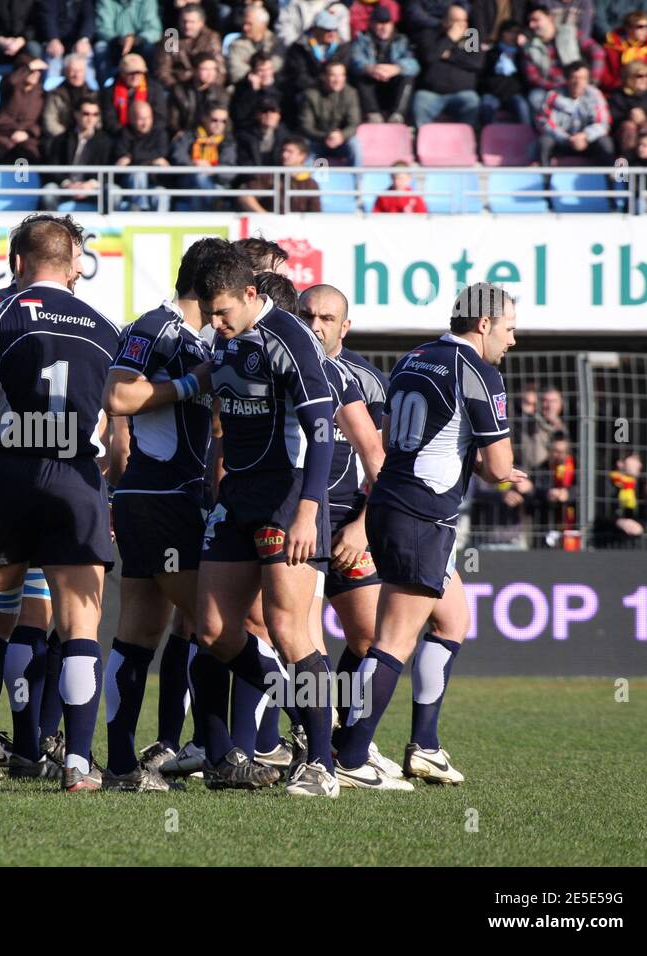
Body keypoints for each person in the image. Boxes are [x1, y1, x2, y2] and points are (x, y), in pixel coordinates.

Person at [0, 216, 121, 792]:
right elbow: (119, 429)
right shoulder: (106, 325)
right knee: (80, 625)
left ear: (17, 262)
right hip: (76, 478)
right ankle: (79, 766)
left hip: (5, 472)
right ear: (76, 266)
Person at [335, 283, 524, 786]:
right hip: (422, 513)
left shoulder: (414, 357)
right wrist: (506, 472)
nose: (513, 340)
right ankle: (349, 758)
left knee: (453, 619)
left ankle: (425, 746)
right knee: (392, 640)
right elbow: (498, 465)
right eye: (509, 328)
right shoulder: (480, 372)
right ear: (484, 324)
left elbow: (400, 433)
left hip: (392, 502)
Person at [190, 243, 341, 797]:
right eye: (209, 316)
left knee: (287, 629)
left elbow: (322, 430)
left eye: (224, 313)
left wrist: (308, 509)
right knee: (212, 630)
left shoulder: (290, 338)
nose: (217, 324)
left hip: (286, 495)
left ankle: (321, 764)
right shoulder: (226, 340)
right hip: (238, 497)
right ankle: (307, 712)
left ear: (251, 295)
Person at [98, 238, 218, 790]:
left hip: (169, 498)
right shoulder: (155, 327)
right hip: (163, 500)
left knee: (140, 633)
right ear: (210, 281)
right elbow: (118, 397)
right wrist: (194, 383)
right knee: (221, 628)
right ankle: (223, 751)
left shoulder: (203, 337)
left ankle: (124, 764)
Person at [296, 284, 420, 788]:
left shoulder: (368, 381)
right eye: (306, 314)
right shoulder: (283, 364)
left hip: (348, 521)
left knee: (369, 637)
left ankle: (351, 743)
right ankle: (293, 742)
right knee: (295, 637)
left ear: (345, 326)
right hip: (295, 520)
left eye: (327, 317)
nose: (315, 325)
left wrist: (364, 526)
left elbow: (385, 461)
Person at [522, 4, 607, 114]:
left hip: (576, 82)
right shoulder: (529, 47)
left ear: (550, 18)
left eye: (536, 20)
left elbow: (597, 52)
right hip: (550, 88)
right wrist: (555, 86)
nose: (532, 25)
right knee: (535, 97)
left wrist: (592, 80)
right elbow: (533, 77)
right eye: (529, 22)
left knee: (594, 98)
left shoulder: (571, 33)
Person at [412, 4, 484, 126]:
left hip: (462, 93)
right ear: (445, 21)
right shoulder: (430, 34)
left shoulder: (471, 37)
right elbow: (429, 57)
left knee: (472, 101)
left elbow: (476, 63)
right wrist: (450, 38)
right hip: (432, 94)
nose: (462, 25)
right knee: (420, 101)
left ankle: (468, 140)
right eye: (456, 21)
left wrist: (449, 55)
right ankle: (421, 141)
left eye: (464, 20)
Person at [350, 5, 419, 123]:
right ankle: (373, 115)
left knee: (408, 78)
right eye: (380, 23)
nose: (384, 27)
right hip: (373, 85)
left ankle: (398, 115)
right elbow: (355, 61)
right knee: (361, 77)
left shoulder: (402, 40)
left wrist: (397, 68)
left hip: (392, 85)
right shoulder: (361, 40)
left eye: (387, 23)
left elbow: (414, 65)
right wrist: (370, 69)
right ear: (371, 24)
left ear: (392, 25)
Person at [537, 60, 615, 165]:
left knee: (605, 142)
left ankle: (610, 179)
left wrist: (585, 136)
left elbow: (603, 124)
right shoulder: (553, 96)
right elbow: (544, 122)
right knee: (544, 142)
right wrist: (567, 138)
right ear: (567, 79)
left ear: (588, 80)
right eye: (574, 77)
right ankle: (544, 179)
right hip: (562, 142)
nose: (578, 82)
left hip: (587, 141)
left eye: (582, 78)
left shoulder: (595, 95)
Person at [42, 94, 113, 208]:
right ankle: (52, 225)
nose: (90, 118)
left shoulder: (106, 141)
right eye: (86, 114)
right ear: (76, 114)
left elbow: (108, 169)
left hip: (93, 189)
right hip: (66, 188)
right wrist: (68, 184)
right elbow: (52, 166)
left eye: (95, 114)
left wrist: (90, 184)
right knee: (48, 191)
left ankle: (108, 225)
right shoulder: (62, 139)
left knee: (113, 191)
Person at [0, 59, 47, 165]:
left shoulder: (42, 95)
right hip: (2, 133)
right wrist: (29, 67)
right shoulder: (9, 88)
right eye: (32, 71)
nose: (35, 74)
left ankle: (20, 181)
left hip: (26, 137)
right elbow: (11, 81)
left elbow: (41, 122)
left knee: (26, 154)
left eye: (38, 71)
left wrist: (27, 133)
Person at [170, 106, 239, 210]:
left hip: (217, 182)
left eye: (223, 121)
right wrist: (194, 164)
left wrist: (212, 170)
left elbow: (229, 171)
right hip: (189, 181)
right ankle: (215, 207)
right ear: (205, 118)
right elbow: (178, 156)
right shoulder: (189, 136)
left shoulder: (228, 141)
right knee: (199, 178)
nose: (219, 125)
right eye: (214, 120)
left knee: (200, 187)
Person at [300, 61, 365, 165]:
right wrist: (326, 136)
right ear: (323, 77)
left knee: (354, 144)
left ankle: (358, 180)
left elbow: (354, 123)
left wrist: (341, 135)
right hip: (318, 140)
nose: (337, 80)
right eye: (333, 75)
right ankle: (305, 180)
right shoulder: (311, 95)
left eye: (341, 75)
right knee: (304, 146)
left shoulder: (351, 93)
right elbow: (306, 126)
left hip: (342, 141)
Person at [113, 99, 173, 210]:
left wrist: (132, 157)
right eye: (141, 119)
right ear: (131, 119)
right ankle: (140, 209)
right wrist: (151, 159)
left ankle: (161, 226)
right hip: (129, 184)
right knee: (138, 173)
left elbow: (162, 152)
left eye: (148, 118)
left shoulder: (159, 133)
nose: (145, 123)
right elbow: (121, 155)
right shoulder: (124, 133)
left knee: (161, 195)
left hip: (153, 182)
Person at [283, 10, 354, 98]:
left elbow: (344, 70)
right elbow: (299, 75)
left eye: (334, 29)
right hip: (308, 91)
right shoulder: (300, 47)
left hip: (336, 90)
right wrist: (320, 85)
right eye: (327, 30)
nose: (332, 33)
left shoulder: (342, 47)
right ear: (316, 29)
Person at [240, 135, 322, 211]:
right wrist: (265, 216)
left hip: (297, 226)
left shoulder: (311, 184)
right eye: (283, 150)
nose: (284, 155)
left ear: (302, 156)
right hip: (270, 226)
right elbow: (244, 194)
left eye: (290, 152)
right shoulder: (271, 176)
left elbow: (315, 214)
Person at [155, 3, 224, 88]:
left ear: (201, 23)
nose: (187, 26)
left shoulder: (211, 38)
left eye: (192, 22)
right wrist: (176, 89)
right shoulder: (170, 37)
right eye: (184, 21)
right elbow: (162, 70)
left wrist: (209, 87)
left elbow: (220, 70)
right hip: (177, 86)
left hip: (206, 87)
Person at [94, 0, 165, 82]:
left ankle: (151, 84)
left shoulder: (148, 2)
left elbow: (154, 30)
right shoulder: (105, 1)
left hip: (140, 44)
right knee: (100, 48)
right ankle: (106, 87)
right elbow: (103, 29)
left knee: (151, 49)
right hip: (115, 44)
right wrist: (120, 40)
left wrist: (135, 40)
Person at [479, 21, 532, 126]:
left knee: (522, 106)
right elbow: (484, 76)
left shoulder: (522, 54)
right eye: (510, 32)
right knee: (487, 105)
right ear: (502, 33)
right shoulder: (491, 53)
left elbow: (524, 78)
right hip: (493, 93)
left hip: (513, 93)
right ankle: (486, 137)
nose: (513, 36)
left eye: (516, 33)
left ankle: (528, 137)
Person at [101, 52, 170, 133]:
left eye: (138, 73)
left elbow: (160, 118)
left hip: (150, 135)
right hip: (120, 135)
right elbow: (109, 119)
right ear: (122, 73)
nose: (135, 77)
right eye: (130, 73)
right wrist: (125, 134)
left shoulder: (154, 89)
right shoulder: (110, 92)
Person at [609, 60, 647, 153]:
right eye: (640, 76)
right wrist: (629, 116)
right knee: (629, 126)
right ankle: (629, 159)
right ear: (629, 78)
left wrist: (643, 120)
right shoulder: (617, 95)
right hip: (623, 136)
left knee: (645, 128)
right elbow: (613, 118)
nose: (645, 79)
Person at [168, 53, 229, 135]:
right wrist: (178, 131)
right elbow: (173, 119)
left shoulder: (221, 93)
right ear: (194, 70)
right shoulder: (179, 91)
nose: (210, 73)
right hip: (186, 134)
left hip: (211, 134)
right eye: (205, 69)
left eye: (213, 69)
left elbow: (223, 120)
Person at [0, 0, 44, 72]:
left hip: (22, 40)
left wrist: (21, 40)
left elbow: (35, 24)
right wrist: (1, 40)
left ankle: (30, 81)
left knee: (34, 48)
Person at [227, 4, 287, 82]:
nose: (245, 28)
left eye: (249, 24)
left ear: (263, 25)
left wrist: (261, 74)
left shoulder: (276, 43)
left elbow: (278, 66)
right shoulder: (236, 44)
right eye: (244, 24)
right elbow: (236, 71)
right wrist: (259, 75)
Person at [43, 54, 97, 138]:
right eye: (73, 71)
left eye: (80, 71)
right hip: (61, 138)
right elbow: (49, 120)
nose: (76, 75)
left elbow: (98, 120)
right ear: (65, 71)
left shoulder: (92, 94)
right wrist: (67, 137)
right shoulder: (55, 94)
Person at [39, 0, 98, 76]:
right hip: (56, 40)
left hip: (78, 41)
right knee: (53, 53)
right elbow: (48, 18)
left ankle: (90, 84)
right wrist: (53, 39)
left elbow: (89, 17)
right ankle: (52, 85)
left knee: (86, 52)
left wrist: (84, 39)